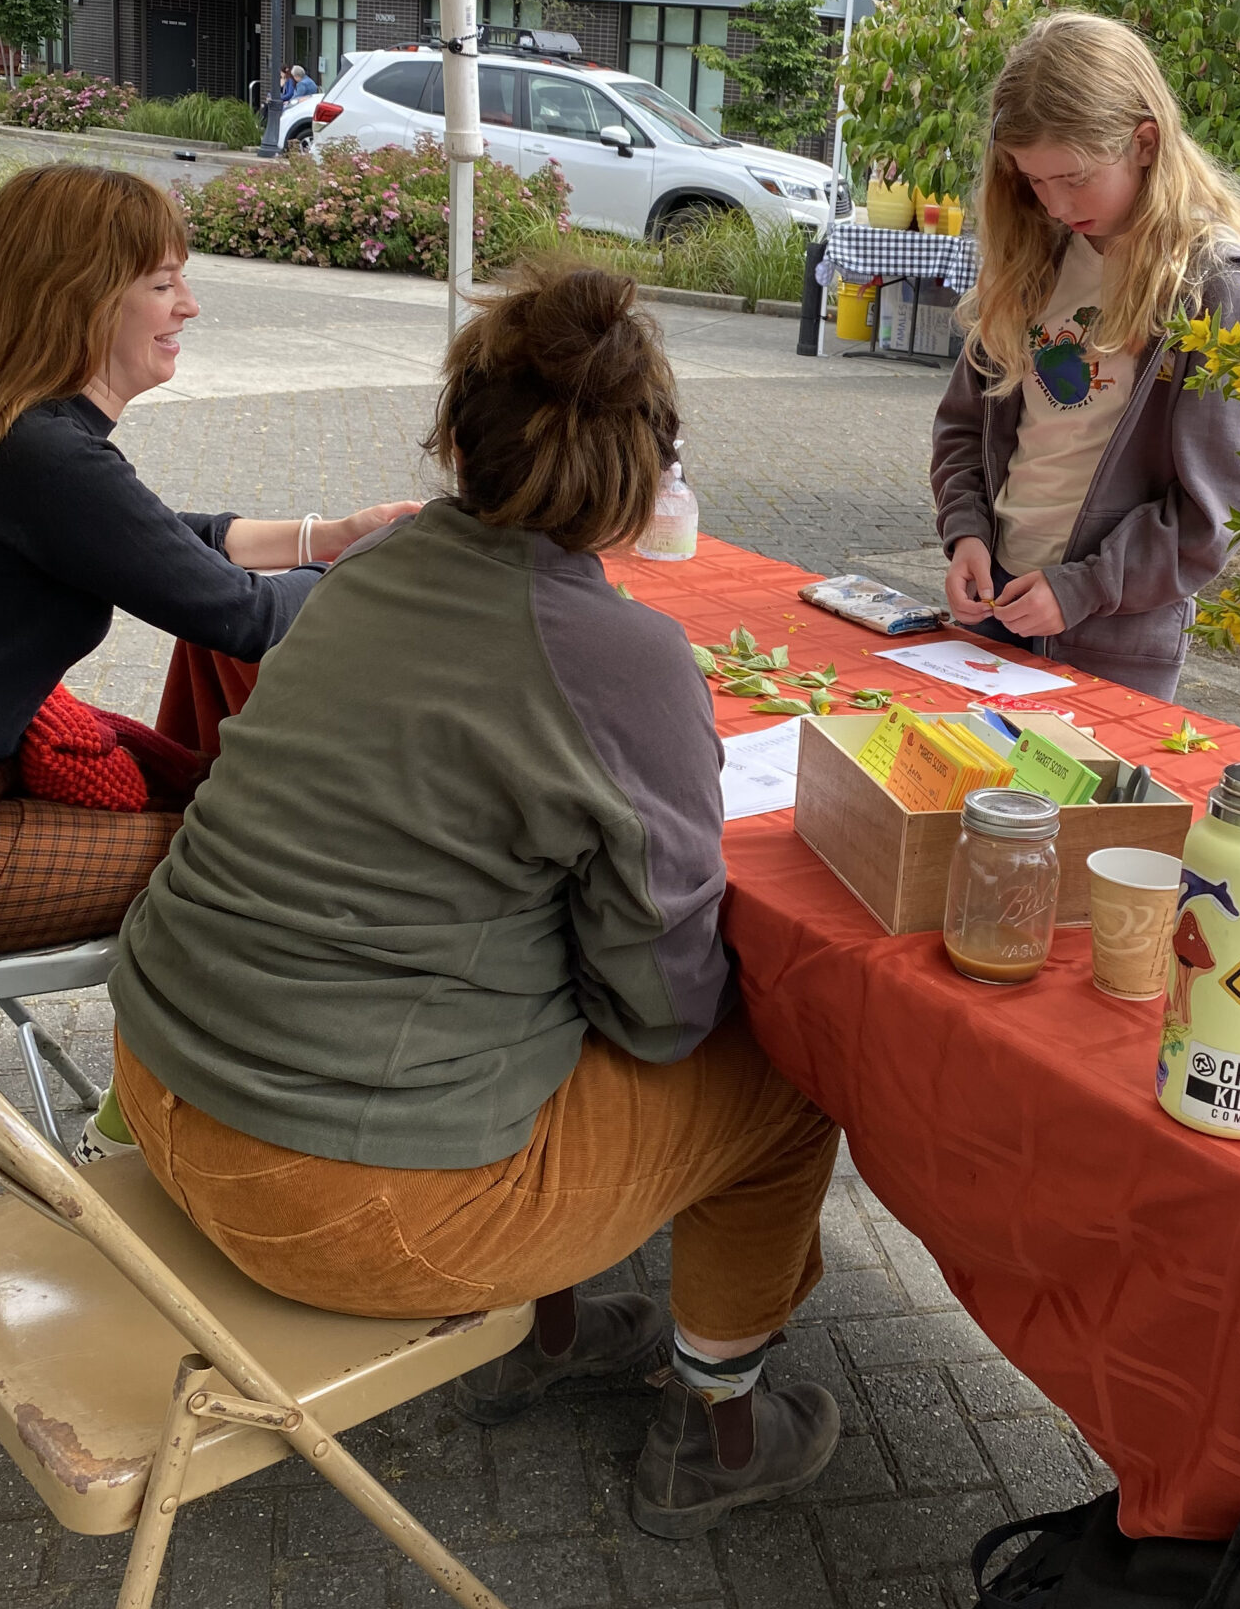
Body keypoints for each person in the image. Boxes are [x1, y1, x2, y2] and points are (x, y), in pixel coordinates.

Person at [107, 262, 844, 1539]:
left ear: (456, 434)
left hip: (161, 1092)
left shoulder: (372, 566)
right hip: (340, 1207)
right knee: (784, 1077)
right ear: (646, 478)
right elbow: (665, 1013)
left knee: (510, 985)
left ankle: (548, 1330)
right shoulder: (626, 657)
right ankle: (718, 1427)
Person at [0, 164, 416, 960]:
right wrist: (388, 568)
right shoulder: (43, 454)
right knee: (267, 855)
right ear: (84, 295)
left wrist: (329, 538)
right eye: (164, 283)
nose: (191, 306)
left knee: (241, 813)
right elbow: (245, 617)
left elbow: (154, 541)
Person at [932, 11, 1240, 698]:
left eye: (1075, 177)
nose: (1056, 204)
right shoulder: (1033, 257)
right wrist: (965, 533)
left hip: (1117, 640)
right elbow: (964, 428)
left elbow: (1222, 510)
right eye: (1034, 181)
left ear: (1144, 142)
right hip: (994, 610)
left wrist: (1084, 587)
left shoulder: (1217, 288)